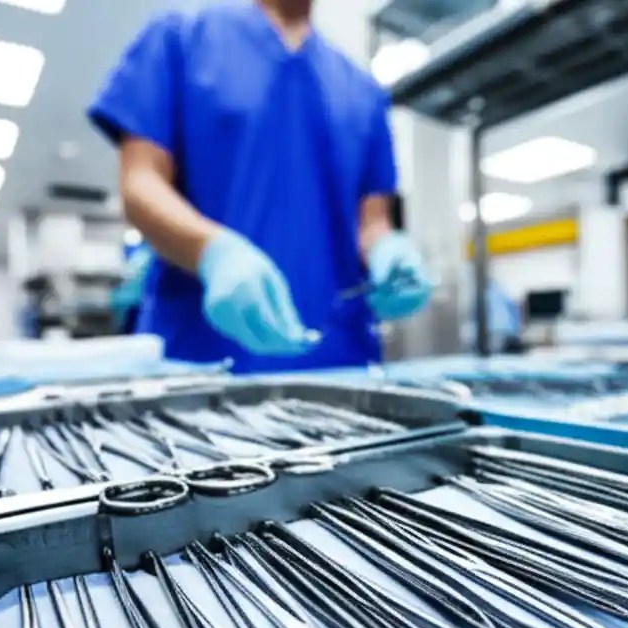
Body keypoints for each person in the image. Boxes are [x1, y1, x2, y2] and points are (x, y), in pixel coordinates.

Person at [88, 0, 432, 373]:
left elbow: (372, 221)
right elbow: (141, 182)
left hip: (339, 363)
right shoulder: (180, 36)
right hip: (202, 364)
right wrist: (212, 252)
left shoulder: (363, 91)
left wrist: (390, 254)